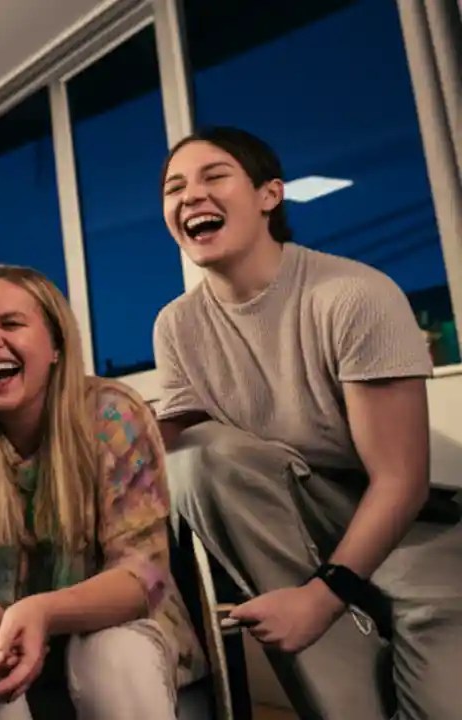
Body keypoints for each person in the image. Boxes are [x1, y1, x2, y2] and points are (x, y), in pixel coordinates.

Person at [154, 126, 462, 720]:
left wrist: (322, 600)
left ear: (270, 195)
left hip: (415, 535)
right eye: (174, 187)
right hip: (300, 526)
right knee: (196, 455)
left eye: (214, 176)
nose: (190, 195)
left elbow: (400, 482)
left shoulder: (351, 295)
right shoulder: (176, 326)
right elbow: (178, 449)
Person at [0, 264, 206, 719]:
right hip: (2, 628)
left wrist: (44, 612)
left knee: (112, 651)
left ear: (55, 346)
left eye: (10, 323)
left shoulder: (113, 416)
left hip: (111, 622)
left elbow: (139, 577)